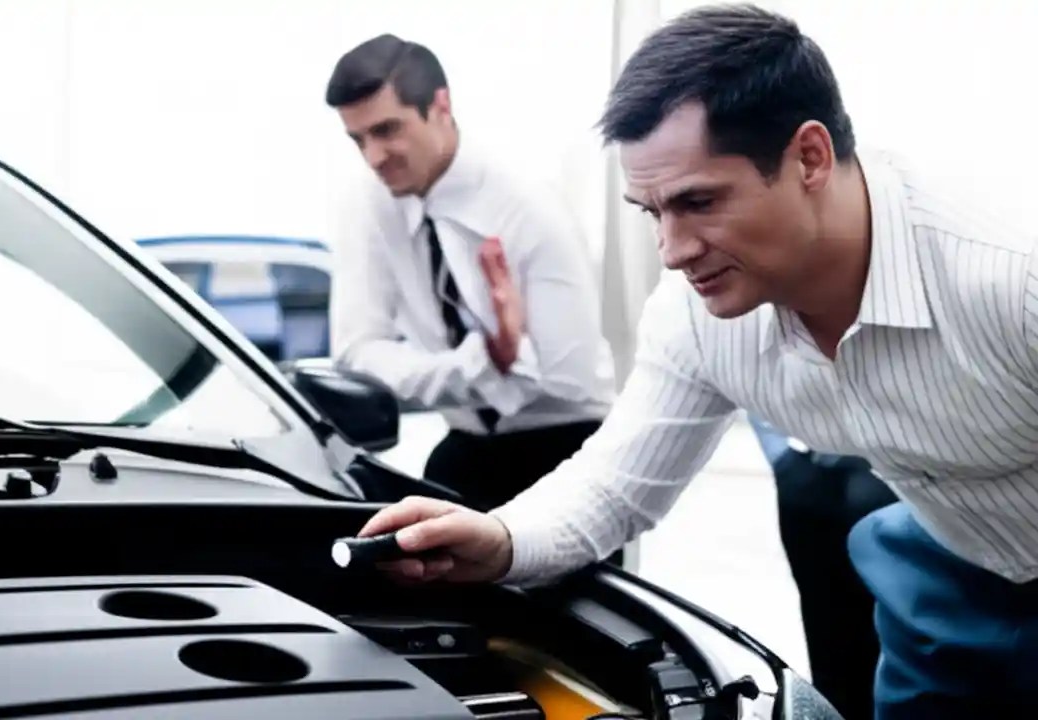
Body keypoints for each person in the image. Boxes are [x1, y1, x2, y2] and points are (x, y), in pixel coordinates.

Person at [353, 6, 1038, 719]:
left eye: (699, 202)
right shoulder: (694, 315)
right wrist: (499, 539)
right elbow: (614, 487)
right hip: (945, 577)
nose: (674, 251)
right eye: (653, 212)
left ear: (809, 158)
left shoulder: (1012, 277)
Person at [323, 33, 617, 511]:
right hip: (467, 446)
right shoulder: (369, 205)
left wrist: (497, 363)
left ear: (441, 106)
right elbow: (357, 355)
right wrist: (484, 362)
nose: (374, 157)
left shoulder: (528, 204)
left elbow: (570, 378)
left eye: (387, 130)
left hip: (568, 445)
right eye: (358, 139)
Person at [749, 417, 897, 719]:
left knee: (903, 652)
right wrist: (781, 458)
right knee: (828, 645)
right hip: (811, 476)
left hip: (896, 482)